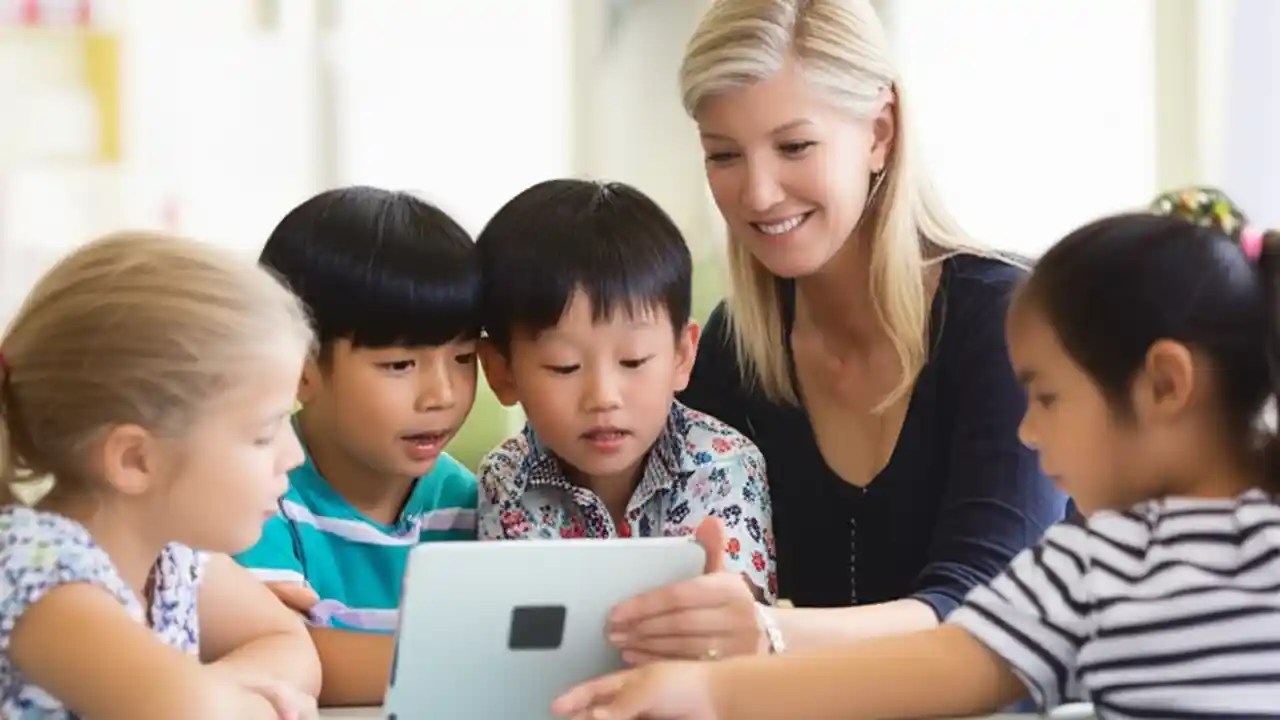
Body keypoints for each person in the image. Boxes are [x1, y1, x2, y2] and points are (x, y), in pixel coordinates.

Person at [551, 192, 1280, 719]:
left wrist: (714, 690)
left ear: (1164, 385)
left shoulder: (1104, 567)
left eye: (1047, 398)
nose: (1027, 433)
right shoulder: (1087, 570)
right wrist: (710, 691)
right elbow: (934, 666)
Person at [606, 0, 1067, 663]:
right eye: (724, 155)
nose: (758, 193)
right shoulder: (731, 352)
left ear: (879, 132)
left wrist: (767, 634)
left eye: (794, 146)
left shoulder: (1011, 320)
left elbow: (988, 613)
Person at [0, 232, 321, 719]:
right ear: (135, 460)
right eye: (264, 434)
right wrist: (219, 699)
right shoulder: (35, 568)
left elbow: (288, 642)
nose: (293, 455)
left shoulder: (175, 560)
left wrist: (218, 691)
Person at [475, 179, 777, 611]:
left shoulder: (723, 464)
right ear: (501, 372)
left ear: (682, 356)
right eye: (564, 366)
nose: (603, 397)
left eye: (633, 361)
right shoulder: (506, 478)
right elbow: (518, 629)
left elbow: (736, 629)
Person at [233, 187, 481, 706]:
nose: (442, 394)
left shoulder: (469, 501)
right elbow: (279, 659)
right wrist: (480, 662)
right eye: (400, 364)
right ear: (300, 370)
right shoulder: (258, 495)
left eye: (463, 358)